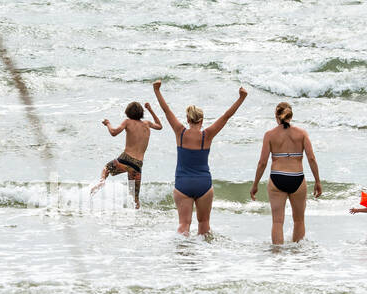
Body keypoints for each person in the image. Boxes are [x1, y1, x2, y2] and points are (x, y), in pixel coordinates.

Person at [152, 79, 247, 236]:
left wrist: (157, 90)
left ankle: (183, 255)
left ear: (188, 120)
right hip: (203, 183)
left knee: (183, 225)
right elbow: (226, 116)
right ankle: (203, 257)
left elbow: (166, 111)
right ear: (201, 121)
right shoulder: (207, 135)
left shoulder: (180, 132)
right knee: (204, 225)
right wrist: (241, 98)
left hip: (183, 183)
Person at [249, 101, 323, 243]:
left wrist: (255, 184)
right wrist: (317, 181)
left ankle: (278, 259)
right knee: (299, 221)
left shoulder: (269, 135)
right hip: (297, 178)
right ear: (290, 115)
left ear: (276, 116)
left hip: (277, 178)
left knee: (277, 222)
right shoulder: (301, 133)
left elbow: (262, 162)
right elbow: (311, 158)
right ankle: (297, 258)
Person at [91, 100, 162, 207]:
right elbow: (160, 126)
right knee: (135, 198)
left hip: (125, 159)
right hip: (137, 165)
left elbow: (114, 132)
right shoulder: (147, 124)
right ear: (141, 113)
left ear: (128, 112)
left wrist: (108, 124)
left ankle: (102, 181)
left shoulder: (127, 122)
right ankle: (135, 219)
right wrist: (150, 110)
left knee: (106, 168)